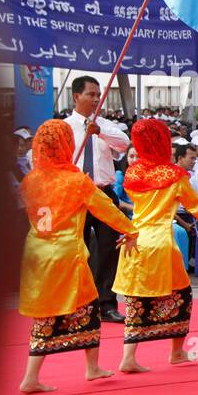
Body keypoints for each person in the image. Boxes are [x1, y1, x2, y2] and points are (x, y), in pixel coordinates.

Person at [18, 120, 140, 393]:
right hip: (67, 255)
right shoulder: (77, 182)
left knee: (45, 315)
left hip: (37, 254)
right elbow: (107, 210)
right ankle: (92, 367)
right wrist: (131, 230)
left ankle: (31, 376)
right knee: (88, 307)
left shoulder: (30, 180)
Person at [112, 120, 198, 373]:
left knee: (136, 301)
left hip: (135, 240)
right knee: (181, 295)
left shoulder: (132, 173)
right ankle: (177, 351)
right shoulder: (175, 176)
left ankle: (129, 356)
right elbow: (197, 208)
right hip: (161, 242)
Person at [64, 75, 130, 323]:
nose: (95, 99)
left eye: (98, 94)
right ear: (76, 96)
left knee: (109, 249)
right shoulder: (65, 126)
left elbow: (124, 144)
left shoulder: (104, 124)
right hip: (76, 194)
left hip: (103, 194)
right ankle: (76, 303)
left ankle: (107, 304)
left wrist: (99, 131)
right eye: (91, 94)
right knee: (76, 250)